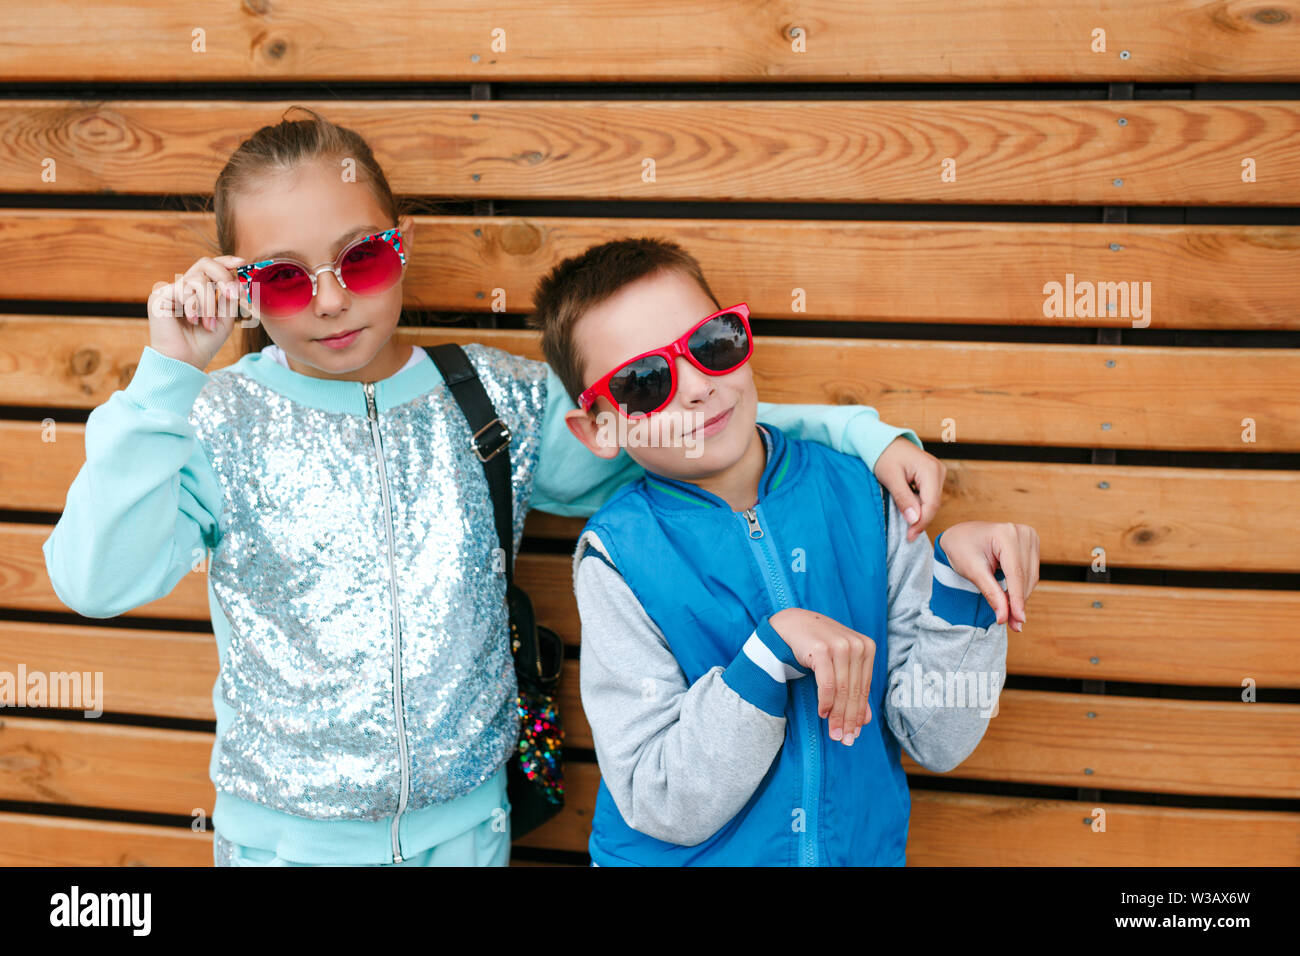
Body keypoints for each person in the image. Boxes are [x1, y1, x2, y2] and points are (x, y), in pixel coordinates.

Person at [41, 108, 951, 867]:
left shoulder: (494, 399)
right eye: (281, 277)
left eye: (360, 258)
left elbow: (674, 415)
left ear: (406, 246)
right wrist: (167, 375)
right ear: (241, 290)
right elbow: (93, 579)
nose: (328, 300)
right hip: (282, 845)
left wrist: (859, 437)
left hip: (470, 834)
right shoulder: (212, 421)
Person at [530, 237, 1040, 865]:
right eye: (644, 381)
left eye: (712, 344)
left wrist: (964, 599)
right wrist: (764, 663)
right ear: (598, 429)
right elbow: (658, 799)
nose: (694, 388)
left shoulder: (862, 496)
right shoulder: (616, 558)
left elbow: (936, 739)